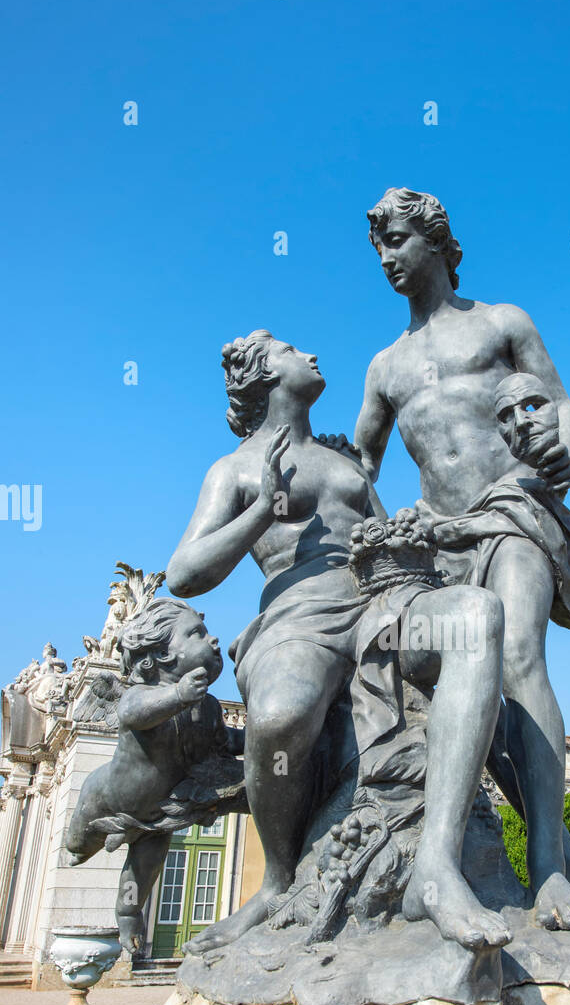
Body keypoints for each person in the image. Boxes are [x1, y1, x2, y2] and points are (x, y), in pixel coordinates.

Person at [168, 331, 510, 954]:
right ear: (260, 374)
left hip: (385, 600)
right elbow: (185, 573)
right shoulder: (236, 468)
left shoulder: (346, 461)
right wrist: (262, 511)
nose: (313, 354)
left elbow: (387, 535)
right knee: (278, 715)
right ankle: (275, 881)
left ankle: (437, 865)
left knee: (477, 613)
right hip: (301, 613)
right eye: (290, 350)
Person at [354, 188, 570, 930]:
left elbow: (563, 407)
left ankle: (550, 873)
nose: (387, 258)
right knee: (467, 697)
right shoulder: (385, 367)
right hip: (440, 540)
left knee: (519, 654)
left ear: (436, 240)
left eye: (397, 240)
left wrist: (563, 450)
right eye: (378, 249)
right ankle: (548, 844)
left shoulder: (501, 323)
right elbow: (359, 470)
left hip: (514, 508)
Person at [65, 599, 239, 956]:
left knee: (149, 858)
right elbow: (135, 713)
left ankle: (128, 913)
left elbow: (229, 741)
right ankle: (76, 845)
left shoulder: (207, 707)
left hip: (161, 810)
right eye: (197, 634)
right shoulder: (139, 695)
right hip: (109, 797)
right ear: (155, 659)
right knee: (77, 844)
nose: (214, 640)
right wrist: (177, 695)